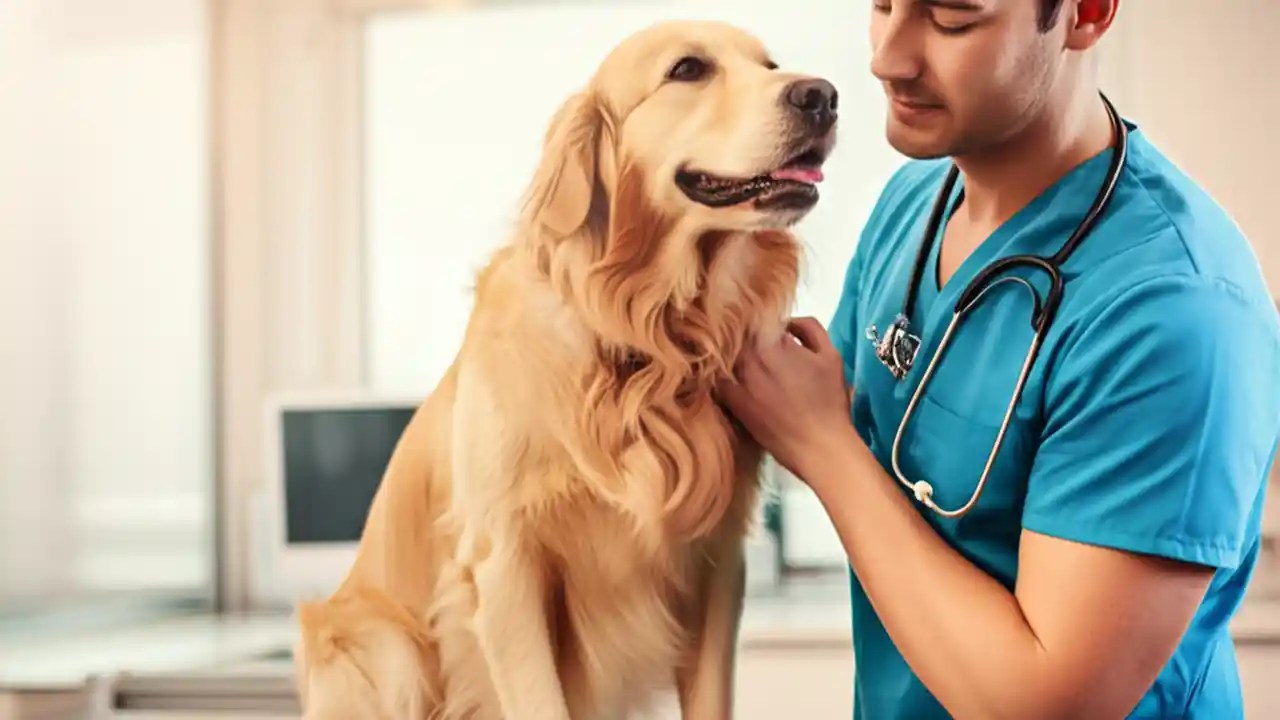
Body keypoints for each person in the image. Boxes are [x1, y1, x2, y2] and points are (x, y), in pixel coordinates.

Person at [719, 0, 1280, 717]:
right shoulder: (915, 201)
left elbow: (1043, 704)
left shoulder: (1176, 313)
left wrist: (824, 446)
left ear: (1086, 14)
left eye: (953, 18)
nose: (887, 57)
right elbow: (783, 406)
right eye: (883, 3)